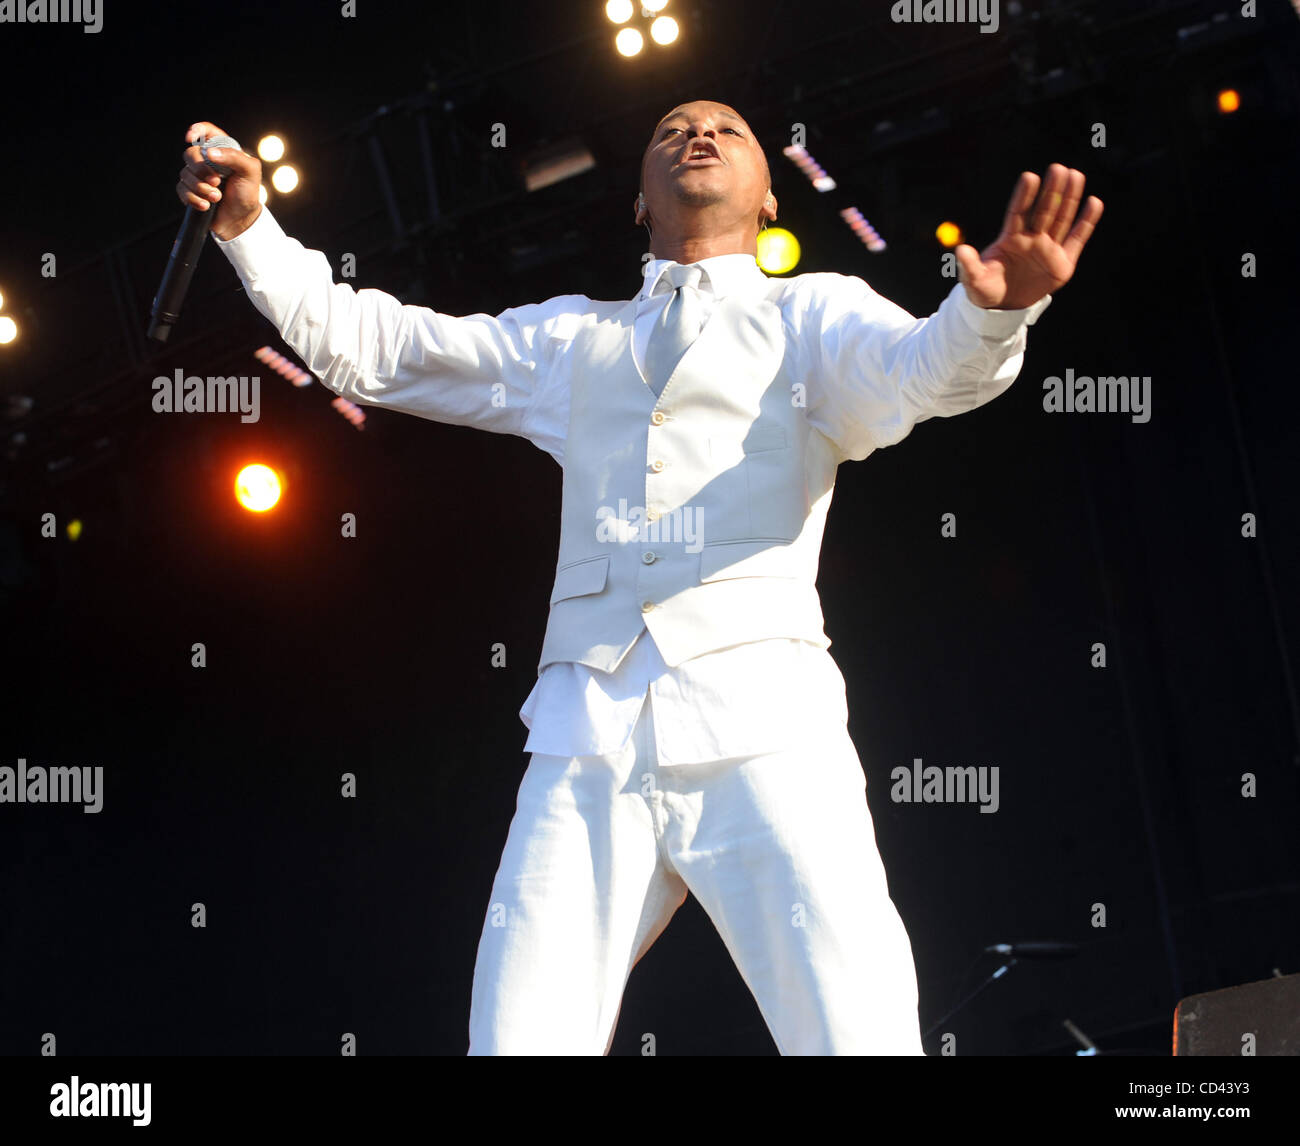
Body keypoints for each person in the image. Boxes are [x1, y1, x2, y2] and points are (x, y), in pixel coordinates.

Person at [178, 102, 1102, 1055]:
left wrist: (992, 314)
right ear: (636, 201)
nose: (698, 135)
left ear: (771, 198)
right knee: (515, 1039)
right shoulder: (572, 341)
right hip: (586, 740)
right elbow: (377, 348)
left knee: (853, 1030)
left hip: (766, 728)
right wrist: (252, 231)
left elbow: (919, 374)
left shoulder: (813, 315)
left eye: (727, 130)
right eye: (672, 131)